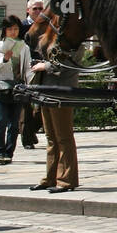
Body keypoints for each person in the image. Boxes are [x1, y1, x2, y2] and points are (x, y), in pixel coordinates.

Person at [29, 14, 78, 194]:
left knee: (63, 137)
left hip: (61, 91)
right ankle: (51, 176)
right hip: (47, 89)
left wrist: (45, 66)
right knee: (51, 137)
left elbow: (69, 64)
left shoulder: (72, 38)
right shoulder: (54, 36)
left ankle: (66, 179)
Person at [0, 14, 30, 165]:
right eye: (10, 29)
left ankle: (9, 152)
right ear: (5, 30)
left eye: (16, 29)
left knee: (14, 122)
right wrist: (4, 59)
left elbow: (28, 68)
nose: (13, 32)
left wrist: (28, 84)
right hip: (0, 87)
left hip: (18, 87)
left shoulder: (24, 47)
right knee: (1, 120)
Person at [18, 0, 45, 149]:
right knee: (26, 104)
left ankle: (31, 131)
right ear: (28, 10)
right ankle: (27, 138)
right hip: (27, 68)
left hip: (43, 67)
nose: (38, 11)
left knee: (44, 104)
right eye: (35, 8)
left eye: (41, 8)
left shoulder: (47, 25)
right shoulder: (22, 26)